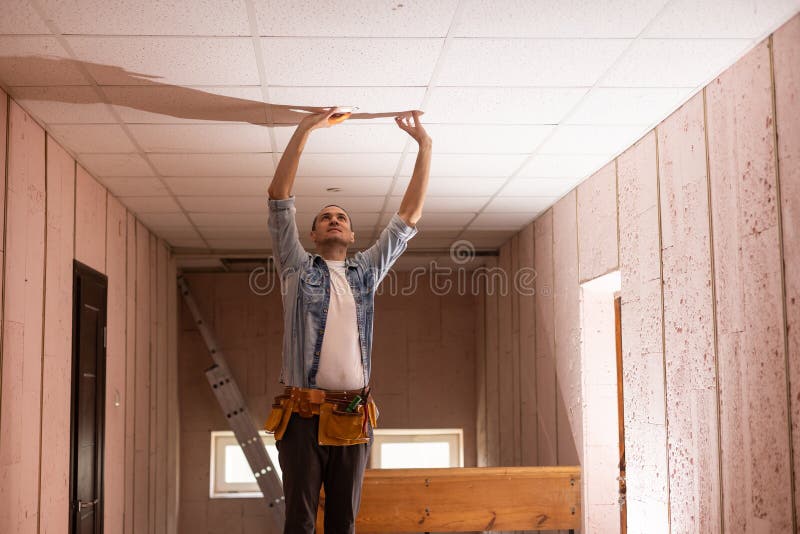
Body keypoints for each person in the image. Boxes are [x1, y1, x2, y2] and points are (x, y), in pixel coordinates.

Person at [266, 107, 431, 533]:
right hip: (302, 416)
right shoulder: (297, 270)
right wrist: (305, 129)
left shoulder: (365, 273)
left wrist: (425, 148)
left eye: (341, 217)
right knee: (299, 523)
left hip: (353, 414)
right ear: (314, 235)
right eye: (326, 217)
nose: (334, 220)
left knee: (343, 524)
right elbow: (279, 199)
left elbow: (406, 220)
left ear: (352, 236)